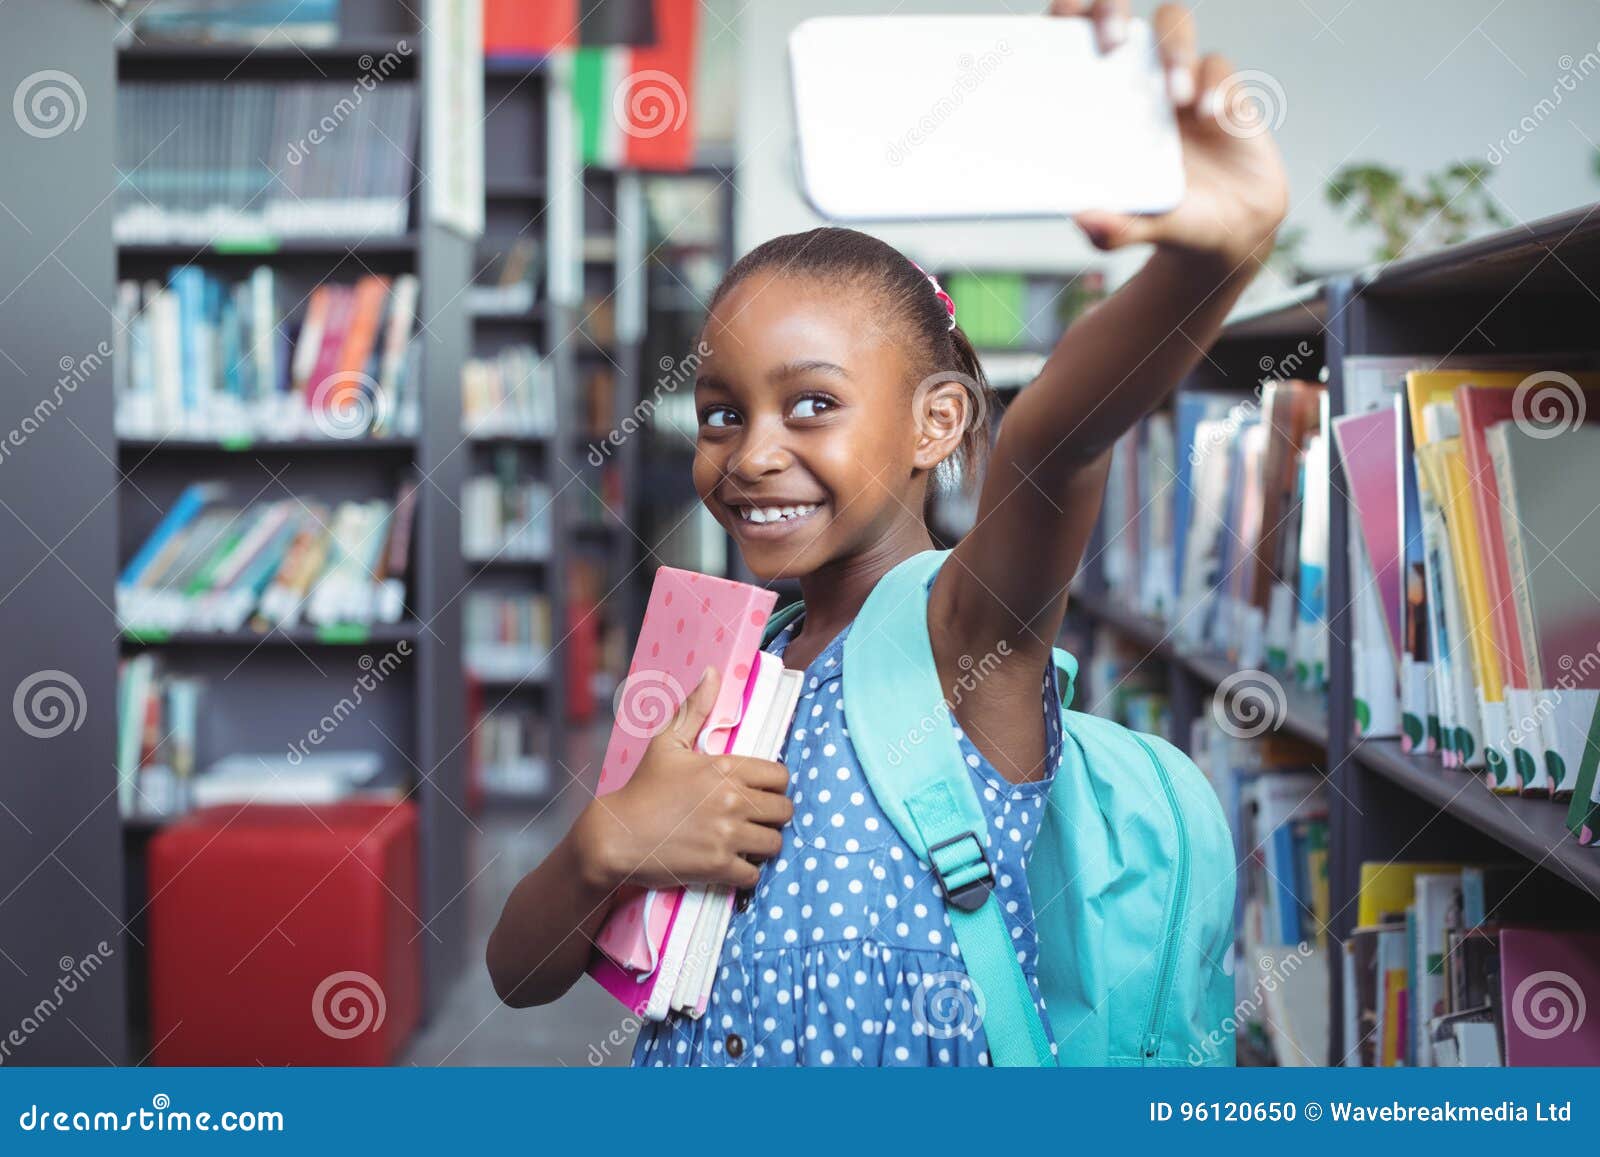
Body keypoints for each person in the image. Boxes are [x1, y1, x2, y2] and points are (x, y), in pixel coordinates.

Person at [487, 0, 1287, 1066]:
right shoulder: (722, 674)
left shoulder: (960, 645)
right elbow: (521, 974)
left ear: (936, 420)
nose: (752, 452)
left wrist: (1208, 261)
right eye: (721, 412)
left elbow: (1054, 446)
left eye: (811, 404)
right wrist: (606, 844)